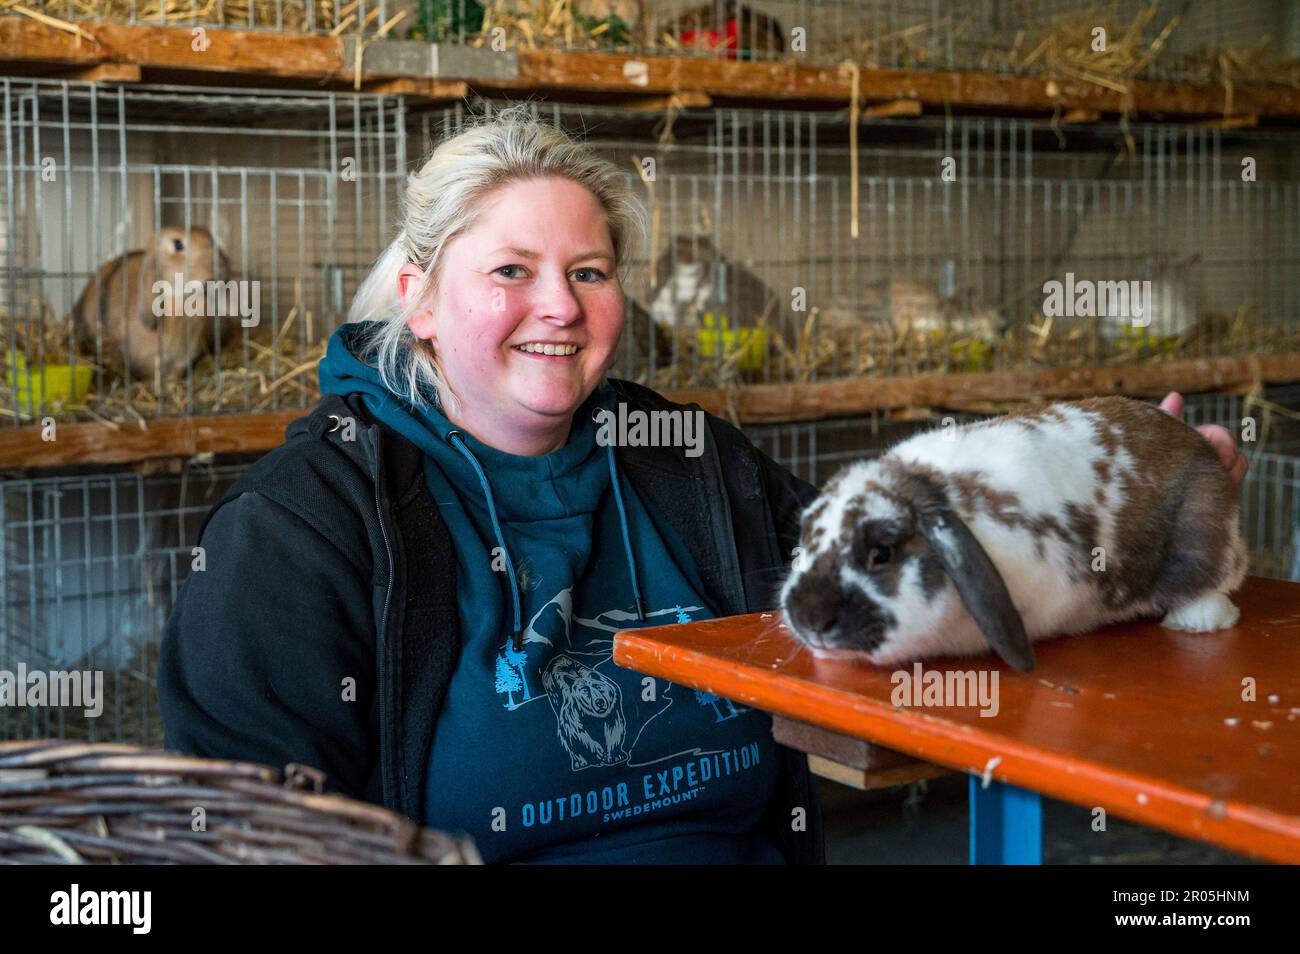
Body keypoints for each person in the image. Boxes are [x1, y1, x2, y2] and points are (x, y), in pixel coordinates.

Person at [157, 105, 1248, 866]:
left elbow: (876, 580)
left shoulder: (685, 454)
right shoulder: (298, 528)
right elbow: (249, 834)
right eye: (510, 272)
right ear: (420, 299)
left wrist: (1125, 501)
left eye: (589, 272)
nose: (562, 307)